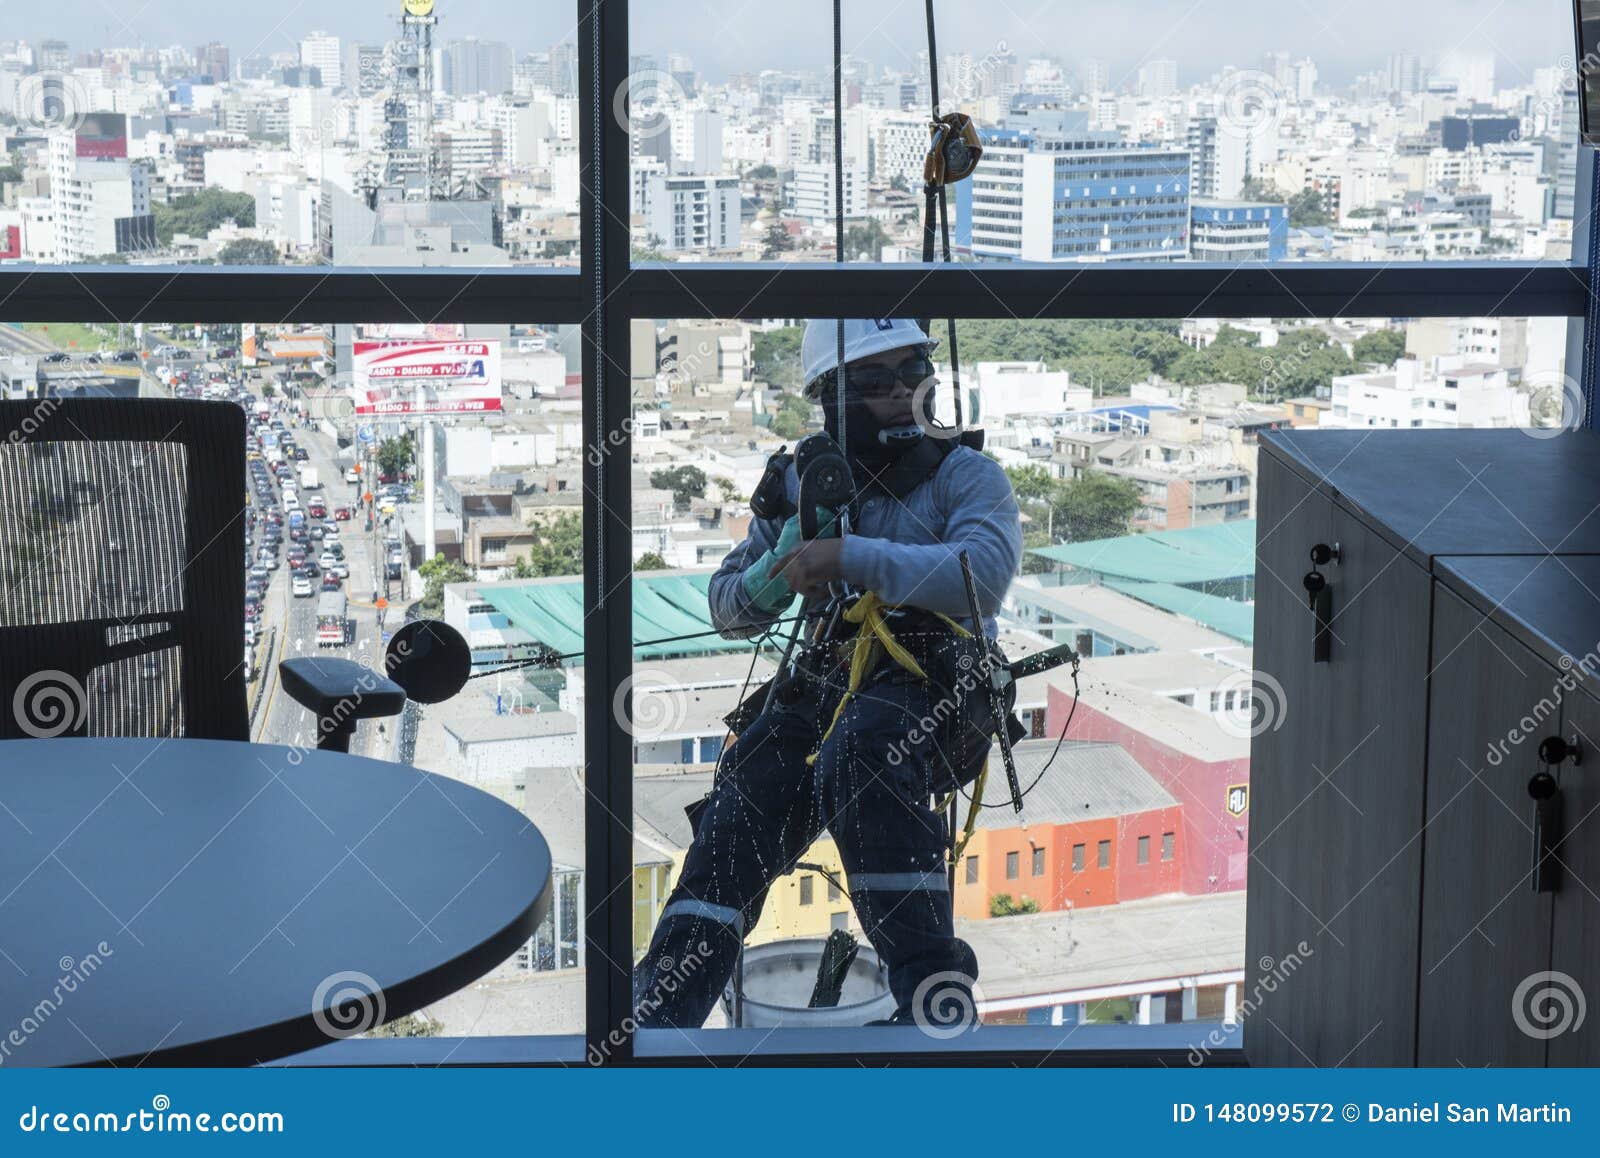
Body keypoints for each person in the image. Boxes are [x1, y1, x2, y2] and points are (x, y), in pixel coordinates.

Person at [632, 319, 1023, 1029]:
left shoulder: (962, 474)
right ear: (834, 398)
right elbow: (730, 608)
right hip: (829, 682)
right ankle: (661, 1013)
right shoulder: (803, 483)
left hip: (936, 682)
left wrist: (846, 556)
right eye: (879, 382)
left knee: (863, 758)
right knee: (742, 803)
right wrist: (777, 567)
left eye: (913, 372)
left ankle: (932, 994)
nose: (905, 393)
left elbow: (983, 578)